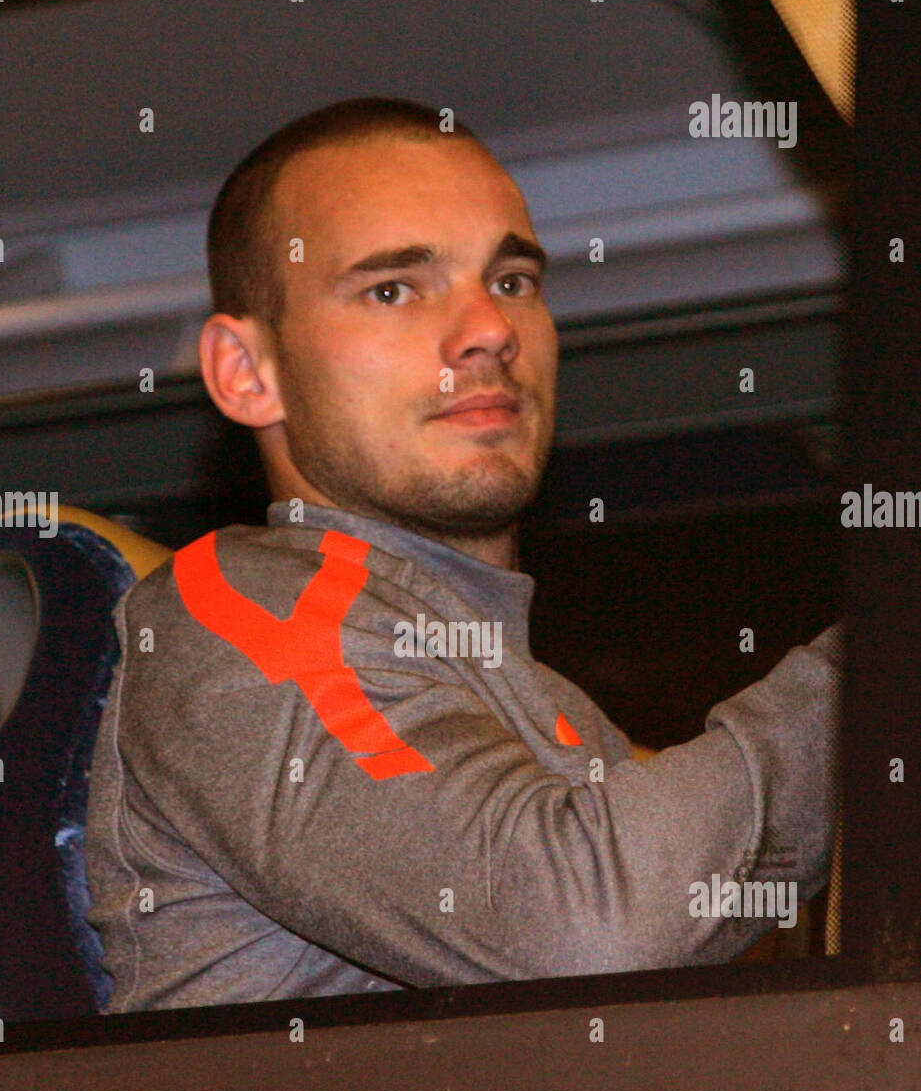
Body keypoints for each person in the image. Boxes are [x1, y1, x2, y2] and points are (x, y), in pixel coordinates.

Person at [83, 96, 842, 1012]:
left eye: (512, 280)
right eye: (393, 288)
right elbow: (581, 922)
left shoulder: (548, 713)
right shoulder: (241, 611)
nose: (489, 328)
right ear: (250, 373)